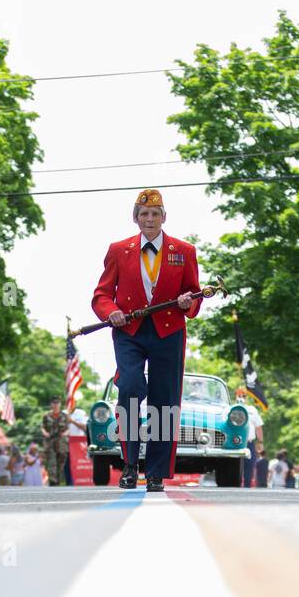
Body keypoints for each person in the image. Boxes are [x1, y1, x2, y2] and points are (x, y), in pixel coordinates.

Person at [91, 188, 202, 492]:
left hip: (169, 331)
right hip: (130, 331)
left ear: (164, 217)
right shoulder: (118, 250)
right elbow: (101, 295)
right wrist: (111, 311)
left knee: (164, 402)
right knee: (129, 388)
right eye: (144, 214)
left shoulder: (184, 251)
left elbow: (194, 295)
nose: (149, 219)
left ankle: (154, 472)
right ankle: (129, 465)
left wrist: (186, 302)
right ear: (135, 218)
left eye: (155, 214)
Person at [236, 389, 264, 488]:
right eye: (239, 395)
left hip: (249, 442)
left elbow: (258, 426)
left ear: (246, 397)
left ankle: (247, 487)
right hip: (235, 442)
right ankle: (234, 486)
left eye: (243, 396)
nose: (241, 398)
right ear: (235, 396)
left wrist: (260, 442)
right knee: (235, 466)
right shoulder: (231, 408)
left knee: (250, 465)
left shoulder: (252, 410)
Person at [41, 397, 70, 486]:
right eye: (54, 403)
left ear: (60, 404)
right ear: (51, 404)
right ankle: (53, 481)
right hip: (50, 442)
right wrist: (45, 433)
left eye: (57, 403)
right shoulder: (46, 416)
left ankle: (57, 480)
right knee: (51, 462)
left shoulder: (65, 416)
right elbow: (42, 427)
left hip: (62, 443)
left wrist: (65, 433)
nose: (55, 405)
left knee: (61, 463)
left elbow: (68, 428)